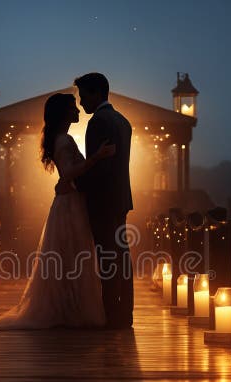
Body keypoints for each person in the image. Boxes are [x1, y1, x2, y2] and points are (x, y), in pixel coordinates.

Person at [0, 93, 115, 329]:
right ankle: (69, 309)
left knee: (72, 255)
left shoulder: (61, 139)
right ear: (63, 113)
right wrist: (97, 158)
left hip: (70, 200)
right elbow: (69, 172)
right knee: (72, 254)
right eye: (73, 107)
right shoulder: (64, 141)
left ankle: (70, 307)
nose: (78, 110)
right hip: (70, 204)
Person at [62, 73, 134, 329]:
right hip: (120, 199)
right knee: (122, 256)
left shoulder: (98, 123)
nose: (81, 103)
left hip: (103, 202)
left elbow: (100, 169)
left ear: (96, 93)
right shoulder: (123, 121)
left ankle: (113, 316)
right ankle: (125, 314)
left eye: (83, 96)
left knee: (107, 260)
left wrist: (74, 185)